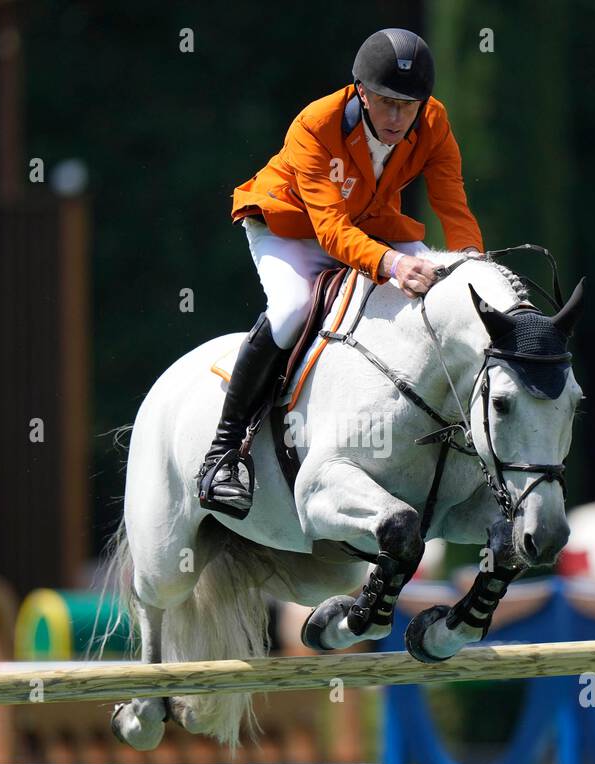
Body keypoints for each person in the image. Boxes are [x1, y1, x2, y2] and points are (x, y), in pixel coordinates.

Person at [196, 27, 486, 519]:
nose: (398, 117)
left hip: (370, 223)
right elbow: (330, 232)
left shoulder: (434, 121)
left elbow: (453, 208)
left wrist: (474, 275)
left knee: (445, 299)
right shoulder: (316, 122)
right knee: (292, 310)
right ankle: (221, 455)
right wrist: (393, 264)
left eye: (409, 104)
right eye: (387, 101)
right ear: (361, 92)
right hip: (291, 226)